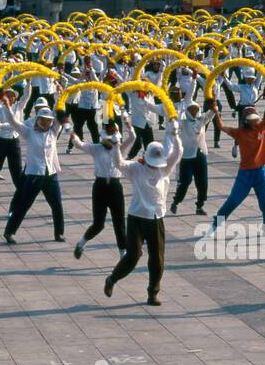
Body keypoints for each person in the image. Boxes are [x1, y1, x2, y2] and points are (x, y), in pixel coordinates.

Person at [102, 126, 183, 306]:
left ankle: (152, 293)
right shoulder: (135, 168)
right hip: (136, 217)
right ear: (146, 158)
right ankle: (112, 279)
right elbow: (119, 163)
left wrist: (175, 134)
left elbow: (178, 152)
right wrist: (115, 143)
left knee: (157, 258)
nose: (155, 166)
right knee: (134, 254)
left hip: (156, 218)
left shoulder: (165, 169)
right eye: (152, 162)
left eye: (157, 162)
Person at [208, 94, 265, 235]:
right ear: (245, 121)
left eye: (255, 119)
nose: (254, 122)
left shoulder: (262, 127)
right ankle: (215, 225)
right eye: (251, 120)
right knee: (233, 201)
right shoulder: (239, 132)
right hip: (245, 174)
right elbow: (221, 126)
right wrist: (216, 112)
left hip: (261, 173)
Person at [2, 100, 69, 245]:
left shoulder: (53, 132)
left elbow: (60, 112)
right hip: (34, 176)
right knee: (23, 205)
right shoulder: (29, 132)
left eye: (48, 121)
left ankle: (59, 233)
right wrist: (6, 106)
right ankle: (9, 232)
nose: (46, 123)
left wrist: (61, 96)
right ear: (37, 120)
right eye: (43, 120)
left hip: (50, 175)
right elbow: (13, 121)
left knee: (57, 205)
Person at [69, 118, 126, 258]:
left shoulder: (120, 148)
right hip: (100, 187)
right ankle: (81, 243)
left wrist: (126, 123)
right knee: (98, 224)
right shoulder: (96, 148)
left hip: (115, 186)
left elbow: (133, 138)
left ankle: (122, 254)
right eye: (106, 139)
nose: (108, 142)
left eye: (111, 139)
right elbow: (79, 145)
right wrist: (72, 134)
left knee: (119, 223)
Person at [169, 100, 210, 215]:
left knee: (203, 182)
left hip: (200, 155)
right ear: (187, 111)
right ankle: (176, 202)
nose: (193, 111)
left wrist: (213, 104)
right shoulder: (183, 122)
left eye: (195, 109)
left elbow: (211, 113)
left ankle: (200, 206)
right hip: (186, 156)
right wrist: (173, 117)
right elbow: (175, 123)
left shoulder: (201, 120)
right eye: (191, 109)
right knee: (185, 181)